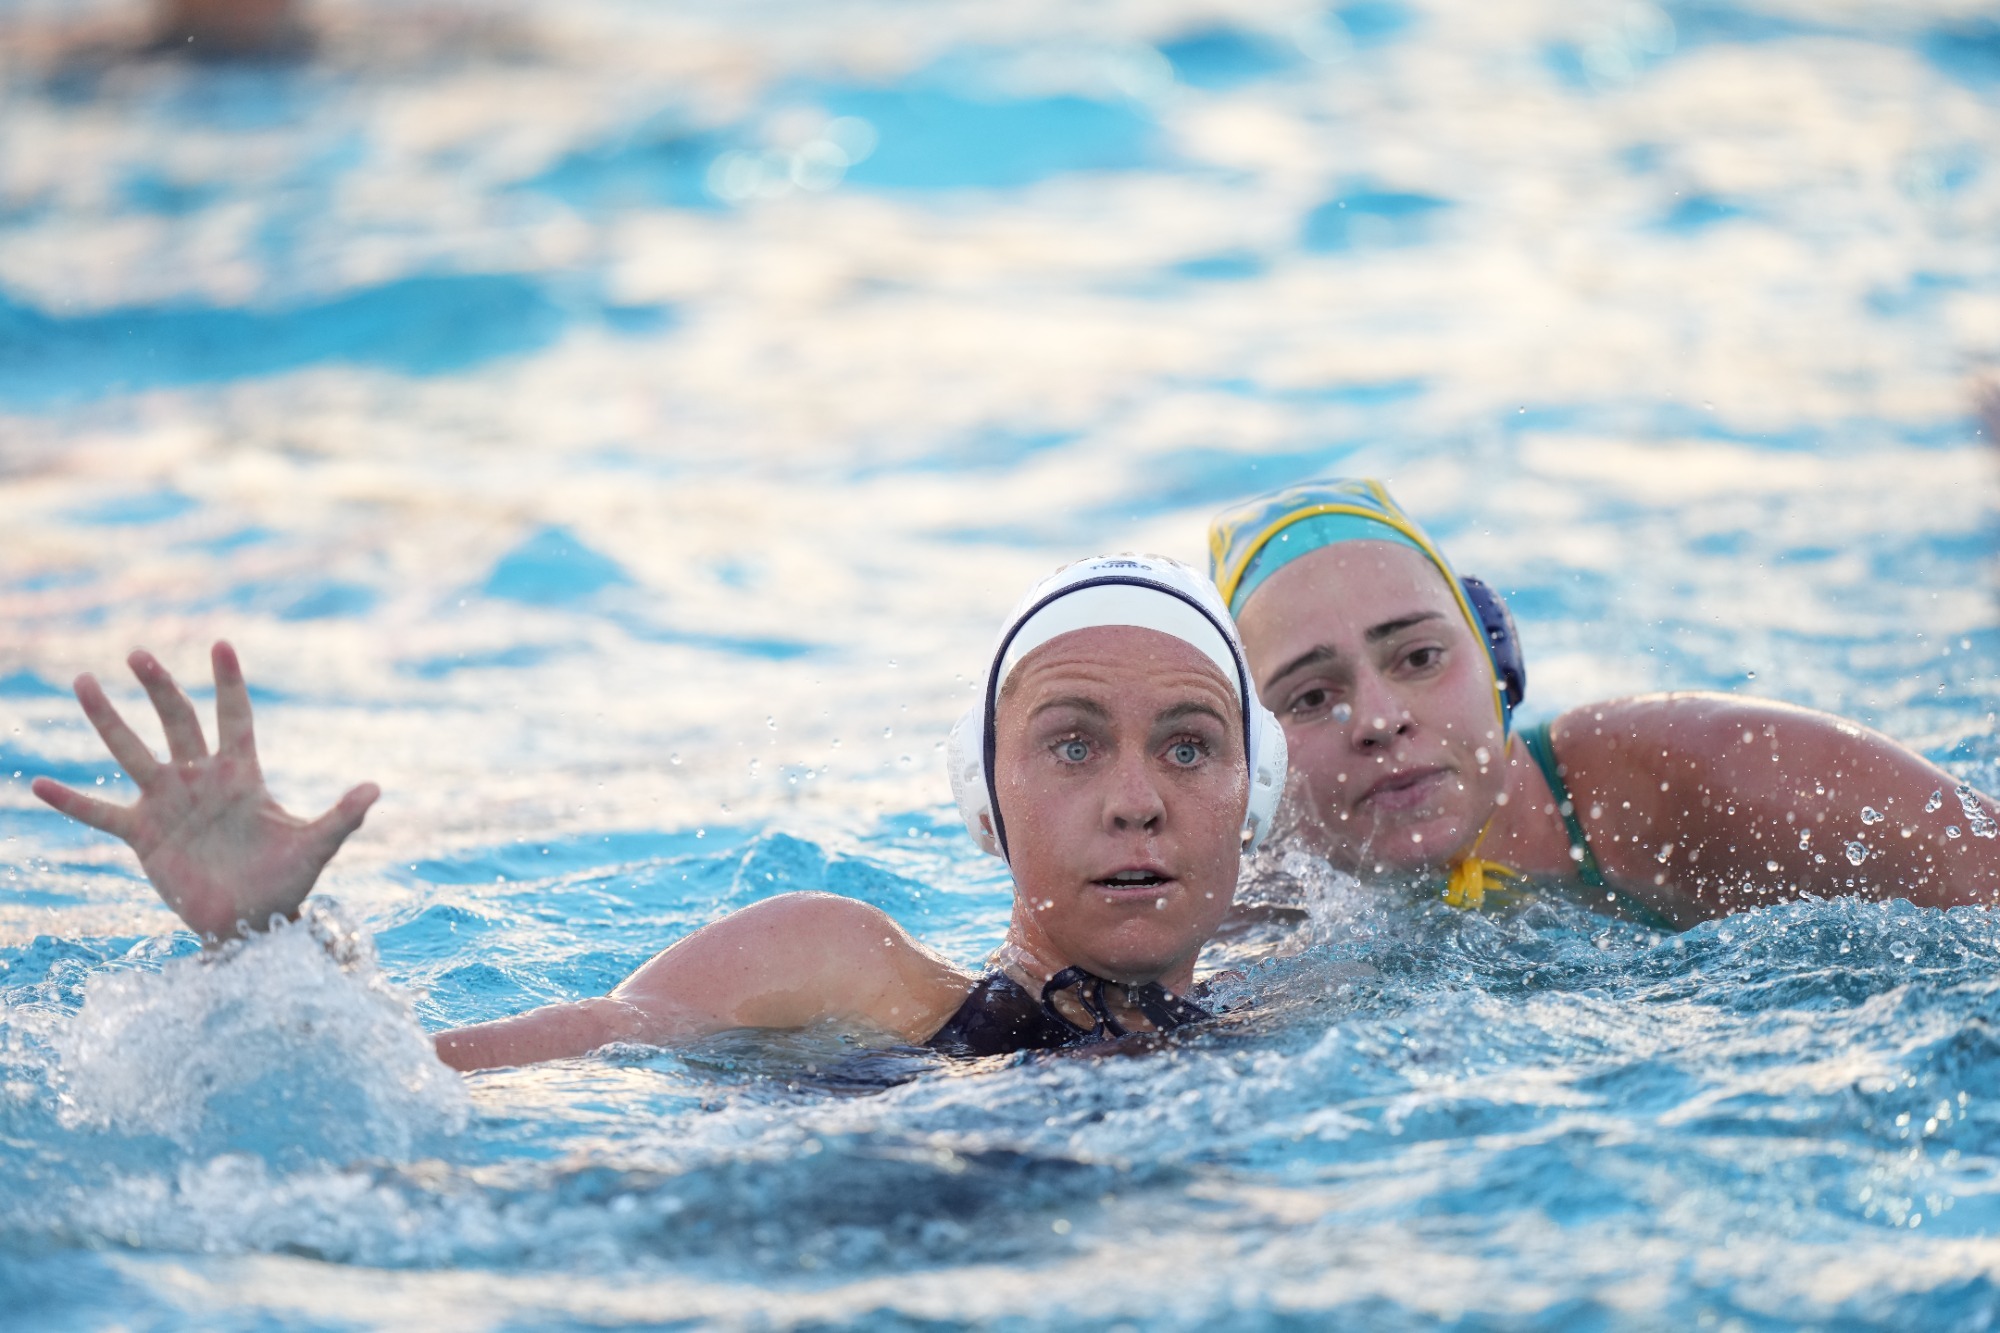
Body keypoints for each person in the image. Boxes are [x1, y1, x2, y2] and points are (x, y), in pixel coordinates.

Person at [31, 554, 1285, 1069]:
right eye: (1071, 745)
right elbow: (458, 1081)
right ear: (988, 801)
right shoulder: (841, 969)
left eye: (1188, 747)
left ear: (1252, 798)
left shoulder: (1318, 1013)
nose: (1134, 800)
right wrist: (272, 952)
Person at [1206, 477, 2000, 927]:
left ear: (1497, 661)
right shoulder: (1223, 910)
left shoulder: (1705, 776)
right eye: (1313, 696)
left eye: (1418, 656)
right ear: (1253, 756)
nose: (1381, 719)